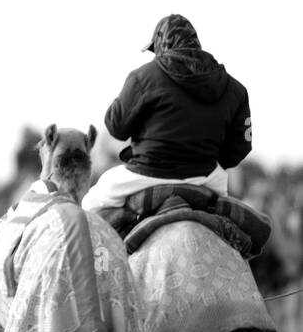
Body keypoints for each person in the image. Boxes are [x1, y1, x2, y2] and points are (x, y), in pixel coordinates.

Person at [82, 14, 252, 211]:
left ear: (161, 45)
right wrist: (206, 159)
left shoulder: (144, 76)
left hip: (145, 174)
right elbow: (241, 148)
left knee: (88, 205)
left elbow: (116, 127)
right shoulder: (236, 89)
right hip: (207, 177)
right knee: (240, 230)